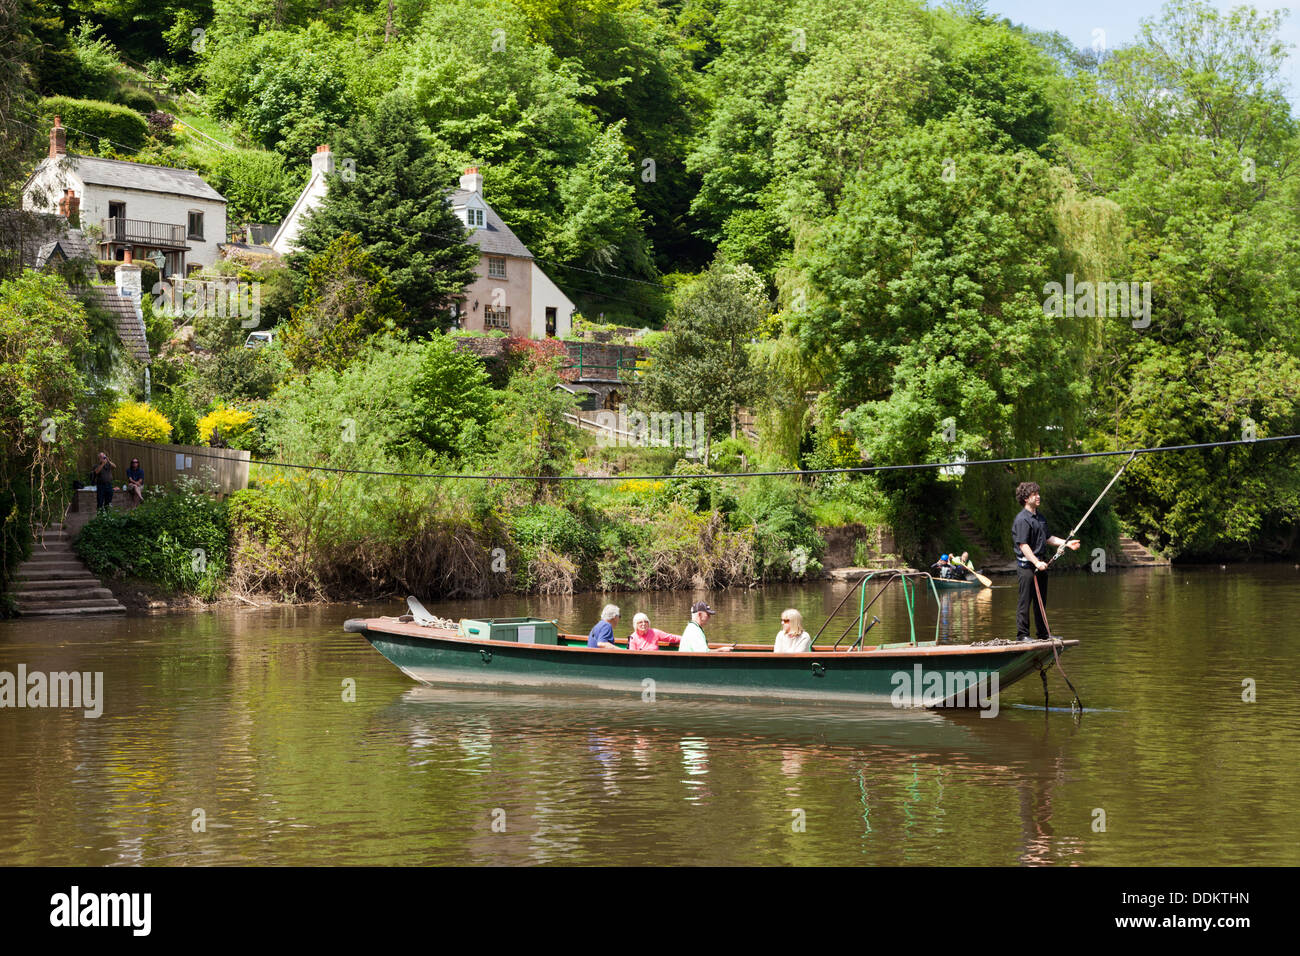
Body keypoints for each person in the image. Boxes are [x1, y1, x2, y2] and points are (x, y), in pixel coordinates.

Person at [1012, 481, 1080, 641]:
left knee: (1041, 602)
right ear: (1026, 498)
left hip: (1041, 565)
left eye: (1038, 493)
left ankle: (1043, 635)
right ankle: (1022, 635)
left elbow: (1048, 538)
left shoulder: (1040, 517)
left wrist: (1067, 543)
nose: (1038, 496)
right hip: (1027, 566)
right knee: (1025, 601)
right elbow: (1023, 545)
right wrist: (1036, 563)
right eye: (1034, 494)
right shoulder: (1022, 520)